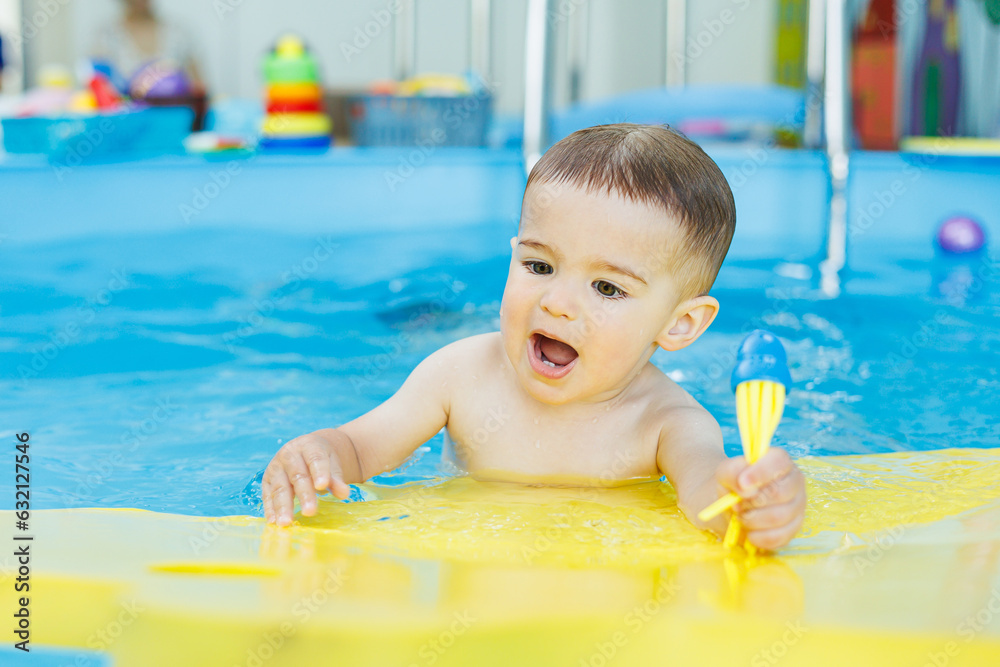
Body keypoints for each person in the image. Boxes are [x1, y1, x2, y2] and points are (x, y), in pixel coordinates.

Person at [261, 123, 807, 550]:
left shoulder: (668, 422)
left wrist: (753, 504)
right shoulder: (461, 375)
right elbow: (360, 449)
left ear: (679, 324)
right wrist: (318, 453)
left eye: (607, 288)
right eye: (539, 266)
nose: (557, 302)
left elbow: (706, 494)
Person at [90, 0, 202, 88]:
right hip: (128, 117)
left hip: (177, 115)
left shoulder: (178, 33)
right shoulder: (106, 37)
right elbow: (96, 89)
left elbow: (199, 88)